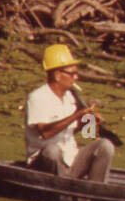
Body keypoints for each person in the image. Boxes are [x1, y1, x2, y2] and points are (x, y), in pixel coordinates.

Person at [25, 44, 115, 182]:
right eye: (72, 73)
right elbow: (45, 133)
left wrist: (90, 122)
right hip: (45, 162)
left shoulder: (70, 97)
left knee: (105, 145)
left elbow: (85, 134)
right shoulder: (37, 97)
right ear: (57, 75)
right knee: (52, 151)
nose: (76, 77)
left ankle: (95, 191)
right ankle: (61, 190)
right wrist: (76, 115)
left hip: (71, 160)